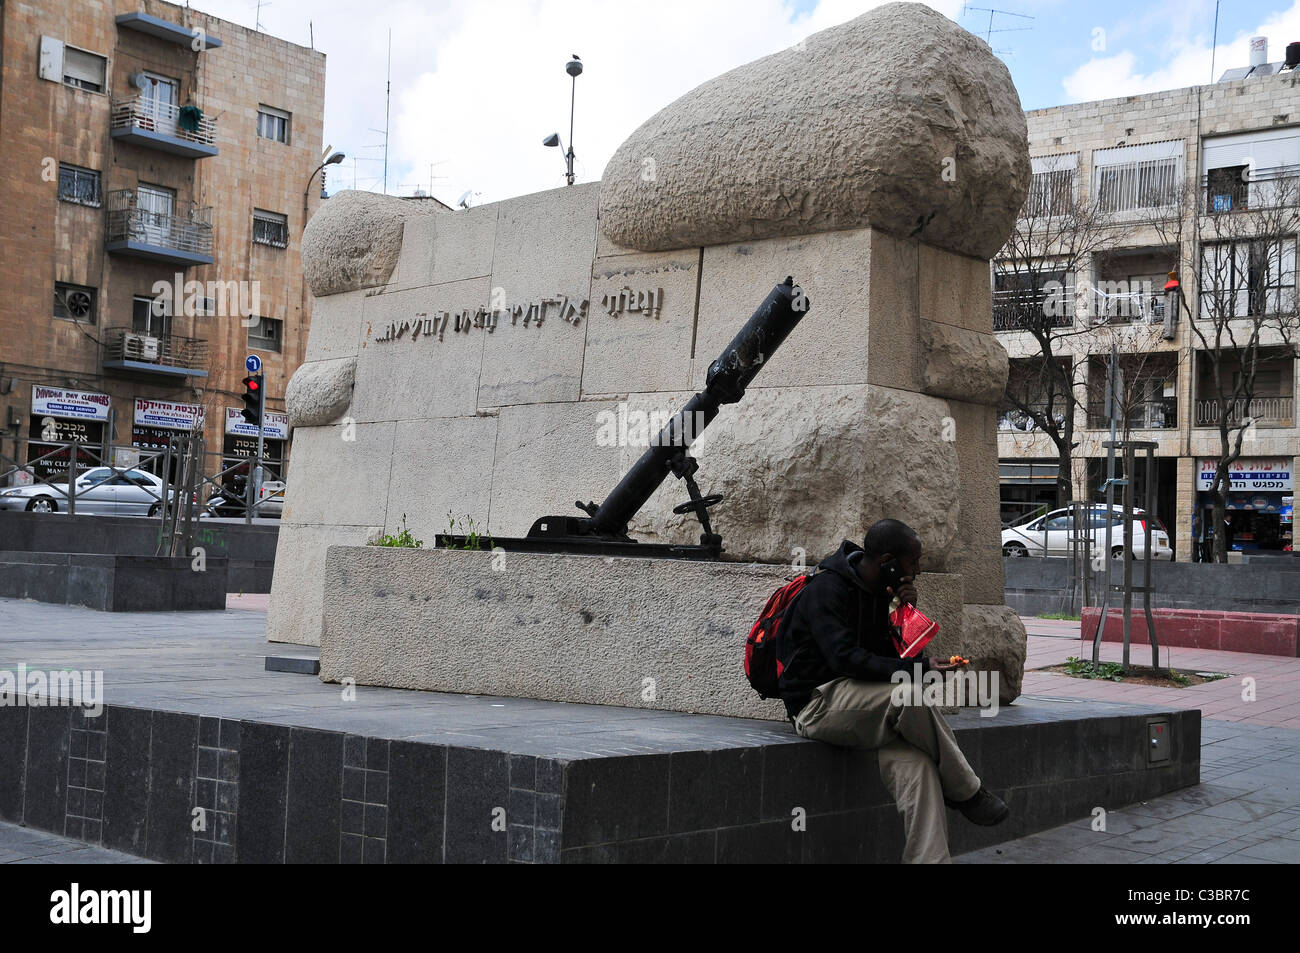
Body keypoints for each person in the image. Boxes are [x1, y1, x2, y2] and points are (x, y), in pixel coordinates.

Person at [777, 518, 1009, 864]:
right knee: (909, 696)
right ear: (887, 561)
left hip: (866, 707)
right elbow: (845, 660)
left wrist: (904, 613)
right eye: (912, 562)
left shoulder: (879, 596)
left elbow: (894, 662)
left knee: (919, 767)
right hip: (818, 704)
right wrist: (920, 670)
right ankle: (967, 791)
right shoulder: (827, 590)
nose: (916, 570)